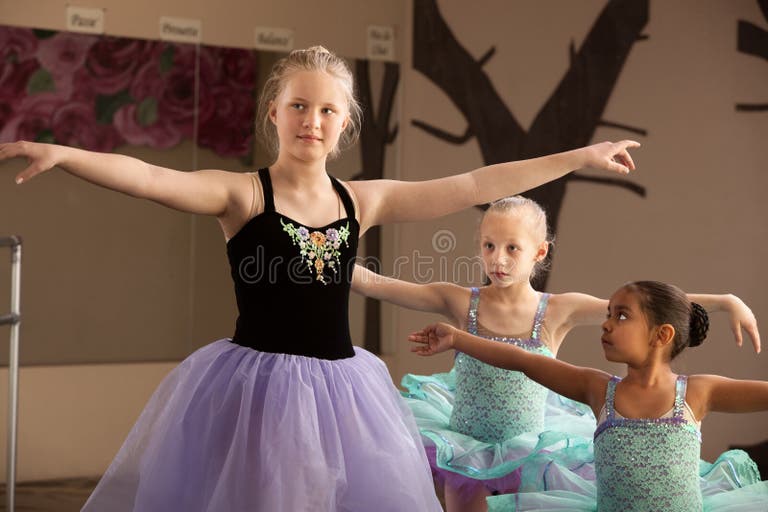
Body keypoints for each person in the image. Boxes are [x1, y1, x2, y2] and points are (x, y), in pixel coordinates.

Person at [0, 46, 641, 511]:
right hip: (255, 388)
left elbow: (476, 183)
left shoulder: (361, 201)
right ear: (273, 113)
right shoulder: (242, 194)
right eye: (298, 105)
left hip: (343, 390)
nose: (312, 119)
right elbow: (149, 178)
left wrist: (578, 156)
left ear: (344, 124)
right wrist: (65, 154)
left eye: (328, 110)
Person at [352, 196, 760, 512]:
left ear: (539, 253)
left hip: (532, 447)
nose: (498, 258)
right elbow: (376, 284)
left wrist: (724, 301)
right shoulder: (461, 301)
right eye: (489, 246)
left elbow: (653, 306)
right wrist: (318, 254)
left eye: (512, 248)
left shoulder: (557, 309)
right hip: (467, 443)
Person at [409, 280, 768, 511]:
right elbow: (521, 360)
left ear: (662, 335)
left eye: (622, 316)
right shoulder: (599, 390)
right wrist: (457, 339)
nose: (606, 323)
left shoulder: (697, 393)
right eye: (608, 313)